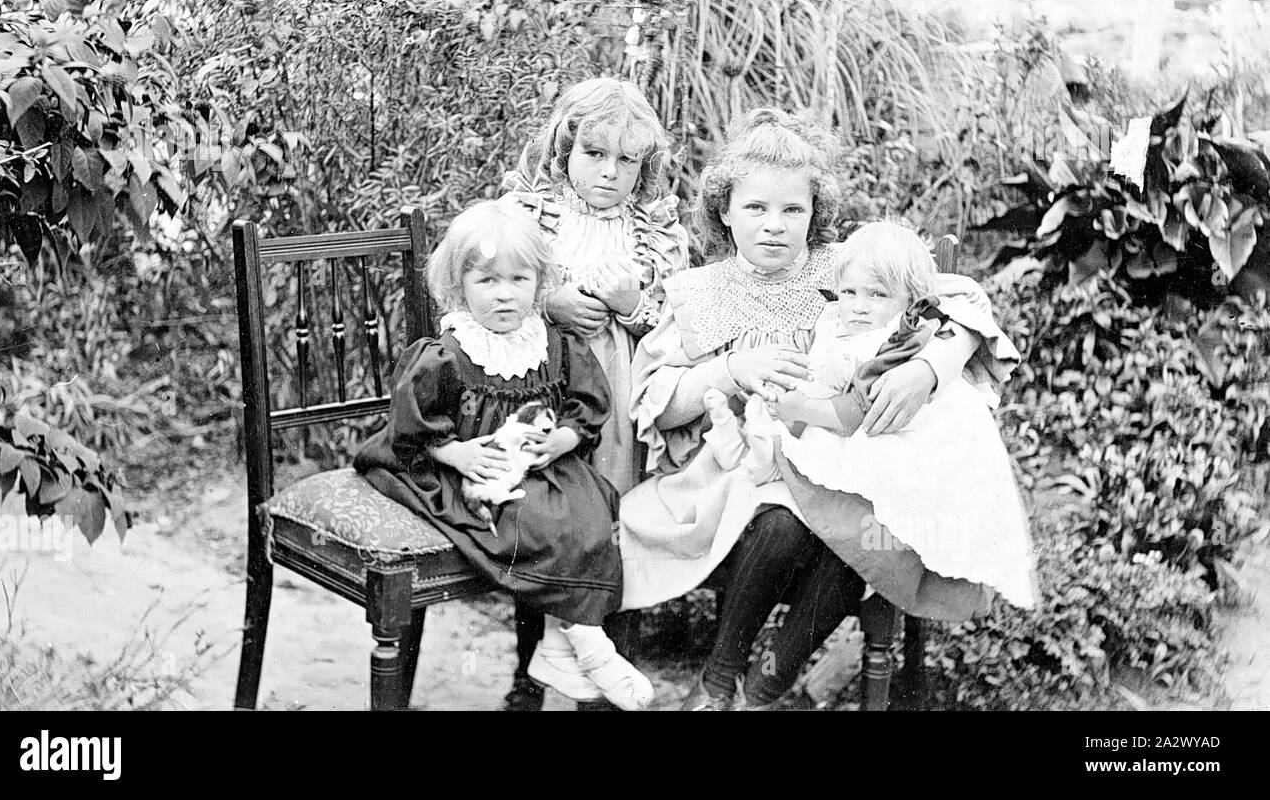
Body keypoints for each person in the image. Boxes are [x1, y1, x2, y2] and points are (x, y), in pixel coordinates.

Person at [619, 108, 1019, 710]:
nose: (775, 226)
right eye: (756, 209)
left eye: (793, 210)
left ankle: (764, 688)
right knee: (784, 524)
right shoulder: (698, 291)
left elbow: (960, 299)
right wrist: (728, 370)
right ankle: (718, 676)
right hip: (737, 472)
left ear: (815, 214)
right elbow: (656, 404)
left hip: (841, 467)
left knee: (859, 537)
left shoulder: (845, 272)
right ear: (725, 211)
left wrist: (928, 365)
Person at [353, 202, 653, 710]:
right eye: (487, 280)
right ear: (458, 285)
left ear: (540, 283)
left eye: (519, 278)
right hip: (472, 472)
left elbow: (586, 402)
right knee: (541, 522)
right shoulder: (449, 352)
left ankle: (560, 644)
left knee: (595, 511)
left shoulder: (552, 344)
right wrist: (454, 452)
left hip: (541, 465)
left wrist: (568, 437)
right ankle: (585, 641)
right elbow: (410, 425)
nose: (505, 293)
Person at [707, 221, 1038, 613]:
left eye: (877, 295)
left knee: (809, 473)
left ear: (910, 301)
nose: (859, 306)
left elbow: (853, 412)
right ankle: (749, 451)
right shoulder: (838, 322)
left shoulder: (893, 343)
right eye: (849, 293)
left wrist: (798, 407)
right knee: (768, 430)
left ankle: (758, 458)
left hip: (884, 441)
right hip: (837, 425)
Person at [499, 78, 689, 709]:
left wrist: (635, 307)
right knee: (549, 518)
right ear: (564, 149)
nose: (608, 173)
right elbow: (487, 285)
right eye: (594, 154)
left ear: (645, 167)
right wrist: (548, 302)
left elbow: (675, 321)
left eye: (626, 161)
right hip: (544, 387)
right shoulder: (530, 215)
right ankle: (527, 677)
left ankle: (603, 681)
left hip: (618, 395)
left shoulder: (652, 230)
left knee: (612, 522)